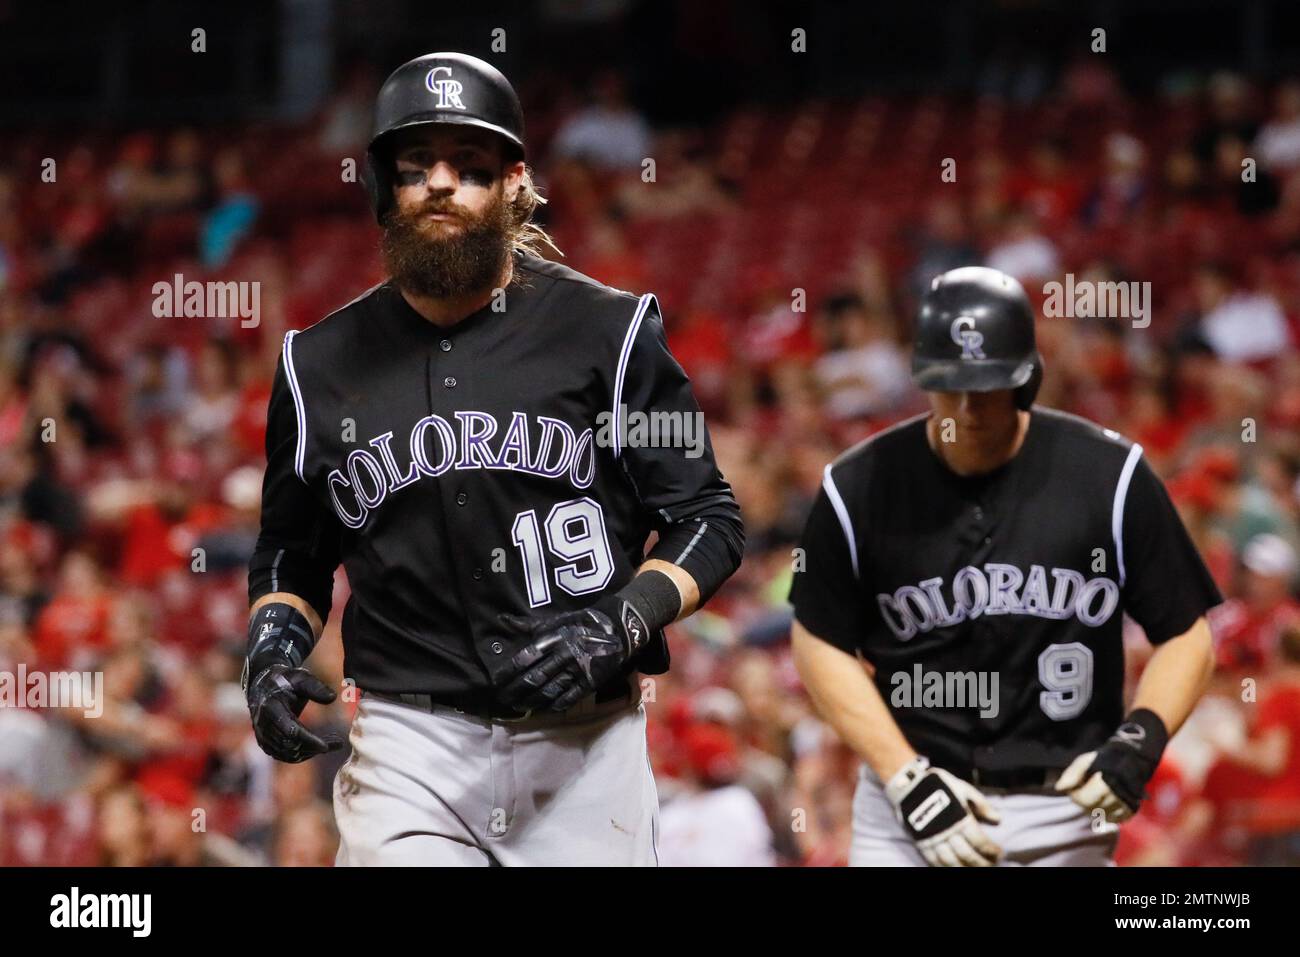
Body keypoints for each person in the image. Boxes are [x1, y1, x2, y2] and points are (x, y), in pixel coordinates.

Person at [242, 52, 744, 866]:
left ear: (514, 185)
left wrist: (624, 618)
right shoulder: (316, 364)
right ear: (383, 191)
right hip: (411, 743)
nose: (440, 184)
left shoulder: (608, 334)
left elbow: (707, 520)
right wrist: (271, 650)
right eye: (415, 168)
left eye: (469, 167)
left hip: (585, 741)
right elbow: (292, 553)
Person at [789, 266, 1221, 866]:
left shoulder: (1109, 476)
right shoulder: (858, 485)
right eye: (950, 386)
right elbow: (818, 642)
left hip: (1064, 806)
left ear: (1028, 379)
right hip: (913, 798)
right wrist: (903, 776)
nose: (967, 409)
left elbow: (1186, 633)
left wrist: (1142, 738)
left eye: (987, 388)